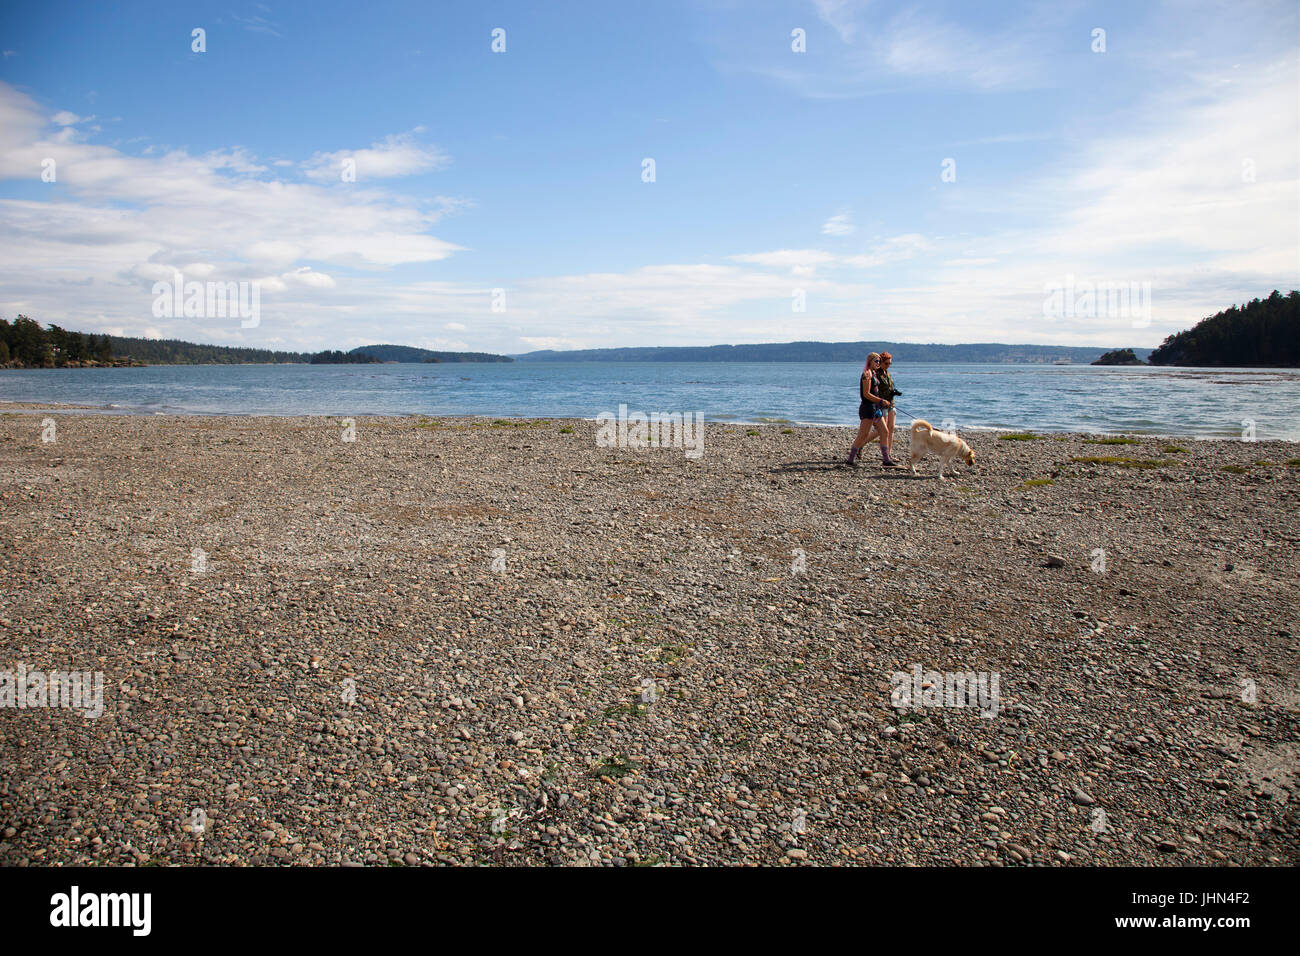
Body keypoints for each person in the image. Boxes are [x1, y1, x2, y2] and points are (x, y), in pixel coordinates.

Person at [846, 353, 896, 467]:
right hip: (868, 408)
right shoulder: (866, 374)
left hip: (875, 408)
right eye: (876, 361)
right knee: (863, 435)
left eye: (879, 361)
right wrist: (881, 400)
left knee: (884, 431)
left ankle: (886, 459)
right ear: (870, 362)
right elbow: (866, 394)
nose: (878, 363)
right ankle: (850, 459)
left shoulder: (874, 373)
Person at [876, 352, 901, 462]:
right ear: (881, 362)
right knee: (882, 430)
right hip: (882, 404)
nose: (888, 365)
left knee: (891, 428)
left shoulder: (887, 373)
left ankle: (888, 454)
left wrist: (893, 392)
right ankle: (860, 445)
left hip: (891, 403)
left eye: (890, 364)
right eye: (886, 363)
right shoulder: (876, 374)